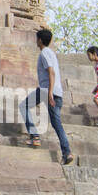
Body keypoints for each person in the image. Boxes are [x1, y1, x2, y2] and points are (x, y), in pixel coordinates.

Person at [21, 28, 74, 165]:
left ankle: (35, 136)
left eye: (37, 38)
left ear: (39, 40)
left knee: (24, 106)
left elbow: (51, 73)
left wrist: (49, 93)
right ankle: (67, 152)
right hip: (57, 91)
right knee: (57, 124)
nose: (36, 41)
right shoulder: (51, 53)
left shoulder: (44, 53)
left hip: (47, 90)